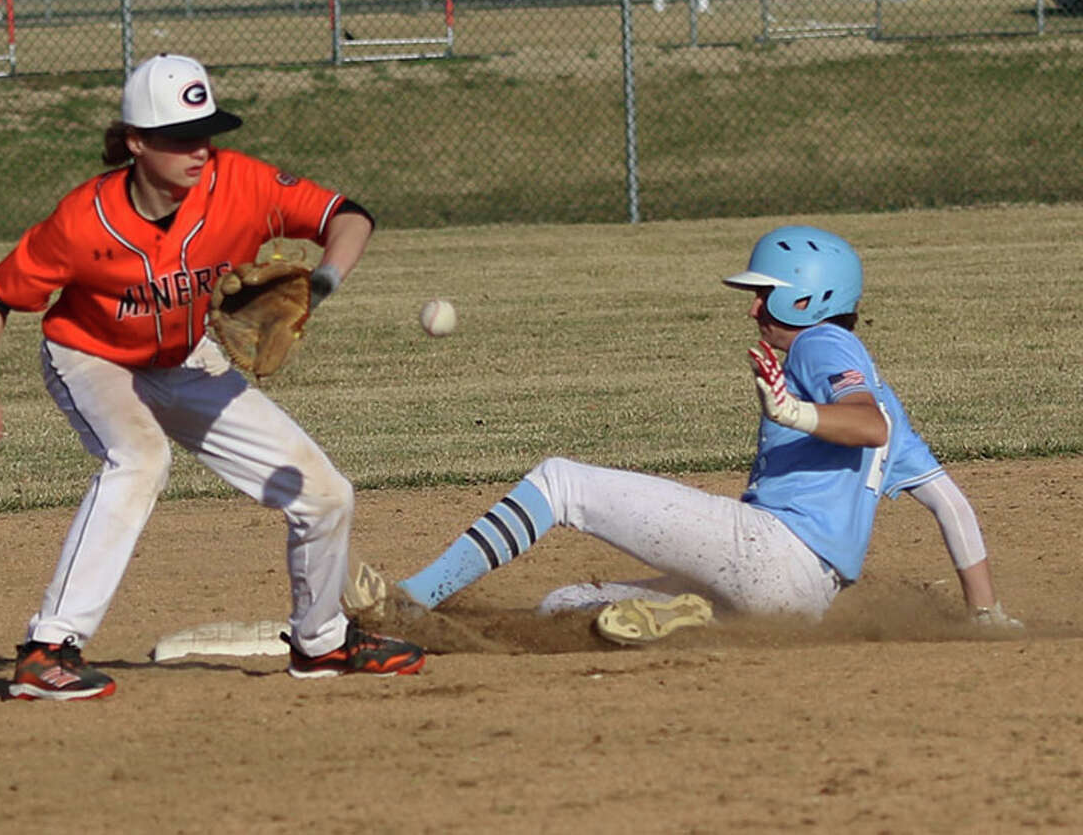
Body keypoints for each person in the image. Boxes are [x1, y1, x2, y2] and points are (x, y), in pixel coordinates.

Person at [0, 53, 424, 699]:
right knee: (140, 458)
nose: (199, 150)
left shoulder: (242, 185)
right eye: (179, 138)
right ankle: (47, 649)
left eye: (206, 132)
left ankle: (321, 642)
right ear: (137, 142)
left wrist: (321, 283)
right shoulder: (81, 221)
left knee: (325, 492)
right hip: (91, 355)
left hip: (185, 355)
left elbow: (349, 216)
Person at [345, 225, 1023, 644]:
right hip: (804, 601)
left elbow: (863, 423)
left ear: (810, 299)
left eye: (766, 292)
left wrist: (793, 414)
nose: (754, 307)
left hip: (772, 555)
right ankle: (694, 619)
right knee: (569, 603)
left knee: (560, 481)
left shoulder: (819, 346)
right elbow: (951, 506)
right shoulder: (892, 406)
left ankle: (411, 601)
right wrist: (985, 613)